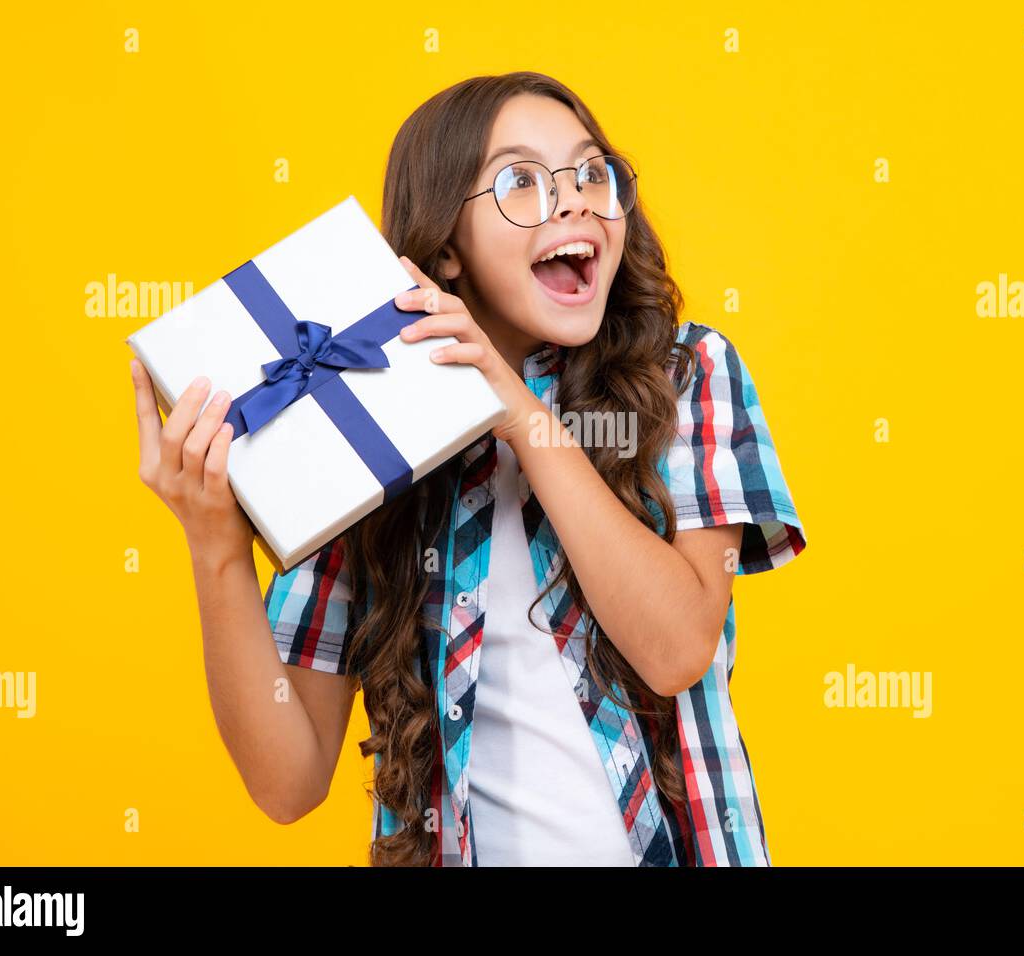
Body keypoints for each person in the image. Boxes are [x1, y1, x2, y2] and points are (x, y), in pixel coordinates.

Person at [130, 70, 806, 867]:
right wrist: (214, 548)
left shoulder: (686, 374)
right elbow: (288, 781)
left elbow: (676, 648)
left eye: (594, 172)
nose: (576, 199)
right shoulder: (362, 434)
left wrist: (516, 409)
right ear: (447, 250)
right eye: (521, 181)